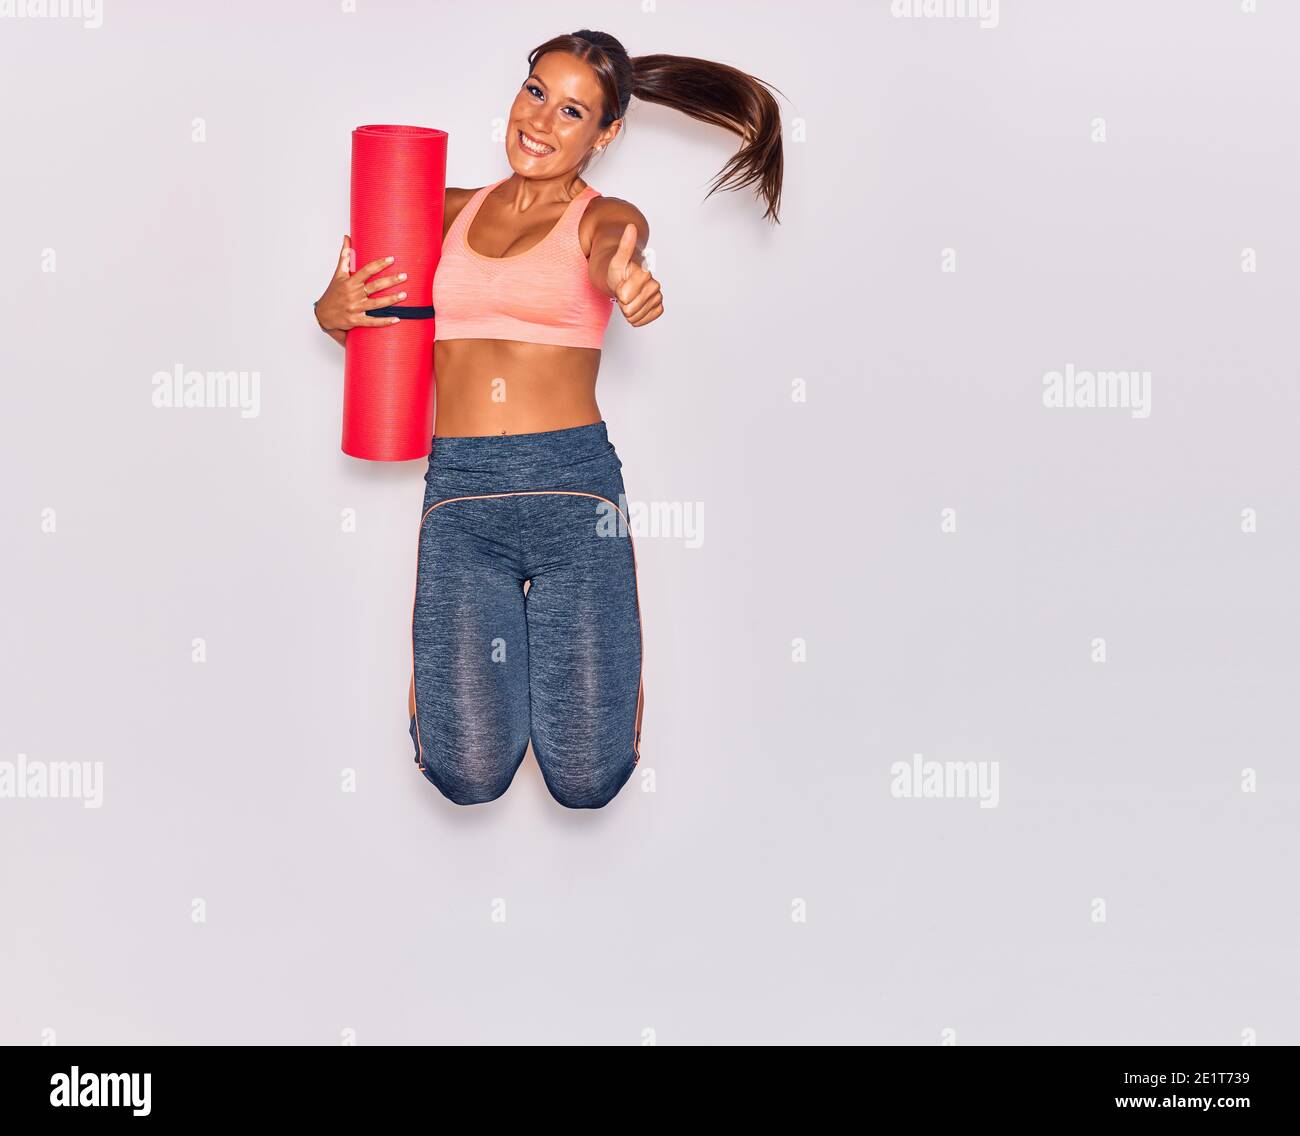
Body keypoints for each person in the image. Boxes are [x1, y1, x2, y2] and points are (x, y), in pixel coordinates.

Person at [313, 29, 784, 808]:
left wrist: (627, 278)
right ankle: (446, 693)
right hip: (463, 497)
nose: (542, 121)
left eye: (573, 112)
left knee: (587, 779)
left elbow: (613, 248)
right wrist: (332, 311)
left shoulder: (607, 216)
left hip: (575, 498)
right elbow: (369, 317)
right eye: (537, 92)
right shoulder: (448, 211)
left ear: (607, 134)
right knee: (466, 775)